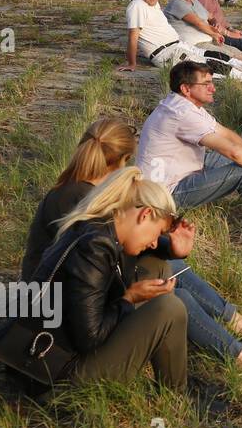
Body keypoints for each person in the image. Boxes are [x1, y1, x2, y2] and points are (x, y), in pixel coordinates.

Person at [21, 120, 242, 388]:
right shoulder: (82, 209)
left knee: (165, 277)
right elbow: (89, 329)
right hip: (57, 345)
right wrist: (131, 298)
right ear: (121, 163)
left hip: (65, 318)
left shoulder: (87, 199)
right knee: (166, 289)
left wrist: (168, 247)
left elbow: (121, 251)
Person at [21, 167, 190, 391]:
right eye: (157, 234)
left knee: (156, 267)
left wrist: (176, 251)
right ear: (145, 214)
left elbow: (146, 253)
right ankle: (176, 397)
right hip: (57, 376)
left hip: (50, 356)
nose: (153, 243)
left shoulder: (98, 227)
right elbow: (89, 338)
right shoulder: (95, 248)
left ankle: (171, 381)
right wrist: (129, 299)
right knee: (170, 307)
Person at [137, 61, 242, 232]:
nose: (213, 88)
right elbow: (233, 152)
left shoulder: (182, 104)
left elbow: (228, 136)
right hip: (165, 195)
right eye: (206, 84)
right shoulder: (183, 114)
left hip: (171, 176)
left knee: (230, 160)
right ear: (186, 89)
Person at [119, 0, 242, 82]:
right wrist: (132, 63)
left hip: (178, 45)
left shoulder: (151, 3)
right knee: (211, 67)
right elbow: (133, 36)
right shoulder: (137, 6)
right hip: (165, 53)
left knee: (219, 56)